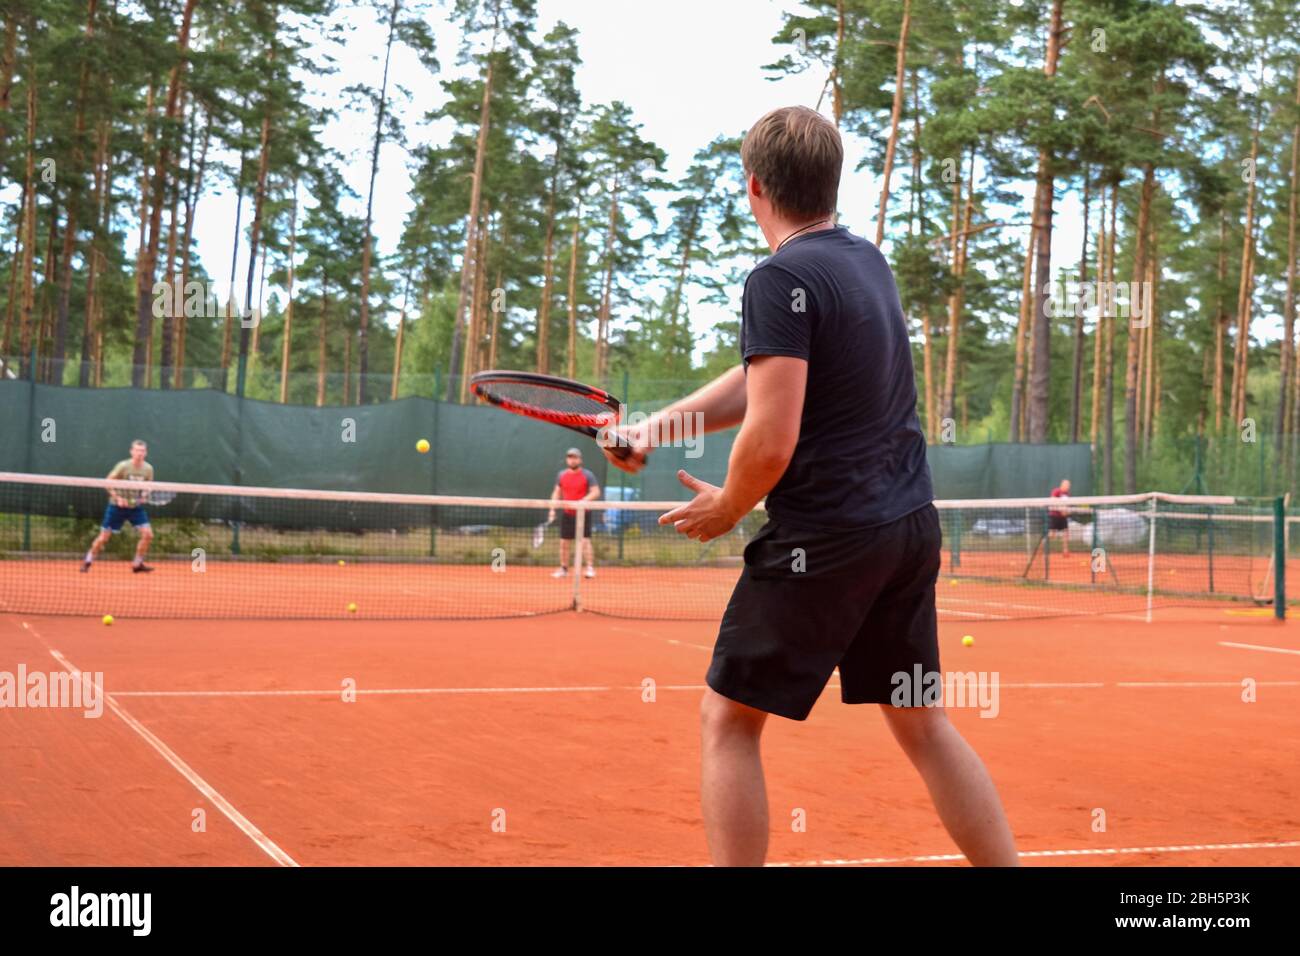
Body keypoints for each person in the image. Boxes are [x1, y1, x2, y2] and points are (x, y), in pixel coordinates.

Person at [603, 106, 1018, 867]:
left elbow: (772, 434)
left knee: (728, 722)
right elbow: (763, 376)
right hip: (906, 527)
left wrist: (728, 505)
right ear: (831, 182)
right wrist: (652, 431)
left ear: (753, 185)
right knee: (922, 722)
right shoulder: (864, 261)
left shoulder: (779, 275)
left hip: (826, 537)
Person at [83, 439, 156, 574]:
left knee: (148, 534)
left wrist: (144, 496)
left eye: (142, 451)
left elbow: (148, 486)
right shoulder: (123, 466)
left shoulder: (148, 469)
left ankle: (137, 563)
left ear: (145, 453)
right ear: (131, 452)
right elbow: (107, 482)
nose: (139, 453)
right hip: (116, 507)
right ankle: (88, 560)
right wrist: (118, 498)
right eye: (137, 450)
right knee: (103, 538)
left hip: (135, 508)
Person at [548, 448, 600, 579]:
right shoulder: (561, 475)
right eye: (570, 457)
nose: (572, 460)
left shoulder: (588, 475)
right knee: (564, 543)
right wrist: (552, 509)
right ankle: (564, 568)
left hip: (583, 513)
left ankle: (589, 568)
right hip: (567, 513)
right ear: (567, 460)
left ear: (580, 459)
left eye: (575, 457)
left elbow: (595, 492)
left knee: (584, 541)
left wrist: (582, 501)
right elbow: (556, 492)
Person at [1049, 478, 1071, 557]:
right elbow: (1052, 500)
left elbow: (1067, 506)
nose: (1068, 486)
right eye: (1067, 485)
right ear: (1062, 484)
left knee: (1066, 533)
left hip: (1063, 517)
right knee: (1052, 535)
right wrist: (1060, 509)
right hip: (1054, 516)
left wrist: (1066, 512)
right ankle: (1041, 548)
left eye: (1069, 485)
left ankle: (1065, 551)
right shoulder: (1056, 491)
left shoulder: (1067, 494)